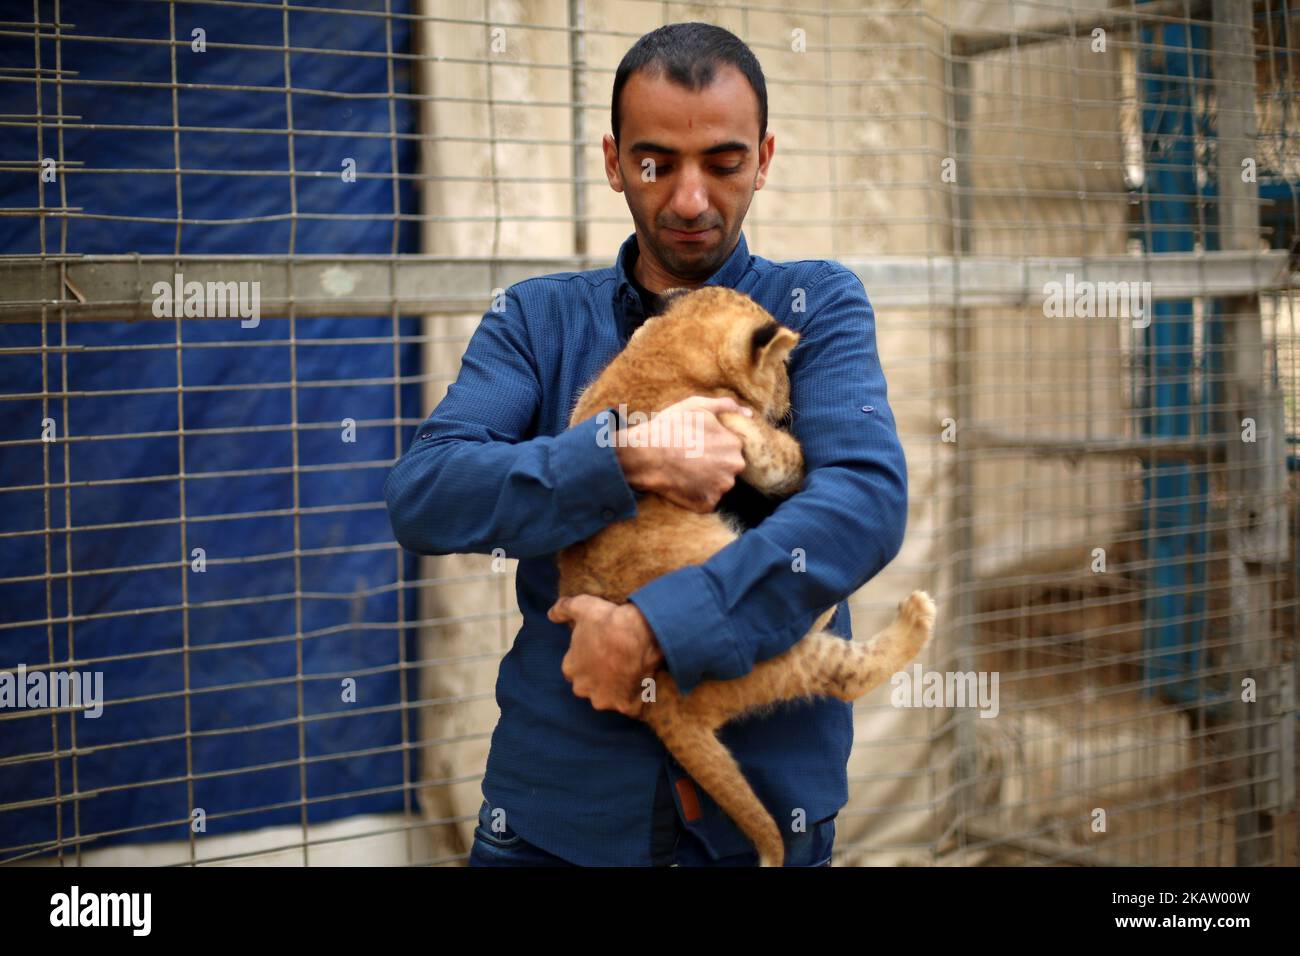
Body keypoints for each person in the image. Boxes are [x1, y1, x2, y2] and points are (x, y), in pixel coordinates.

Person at [384, 21, 907, 867]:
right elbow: (425, 493)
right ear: (614, 160)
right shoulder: (539, 318)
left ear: (765, 158)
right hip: (557, 817)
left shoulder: (813, 308)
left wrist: (660, 628)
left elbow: (865, 502)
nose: (691, 198)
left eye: (725, 163)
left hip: (761, 814)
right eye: (657, 162)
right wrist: (620, 455)